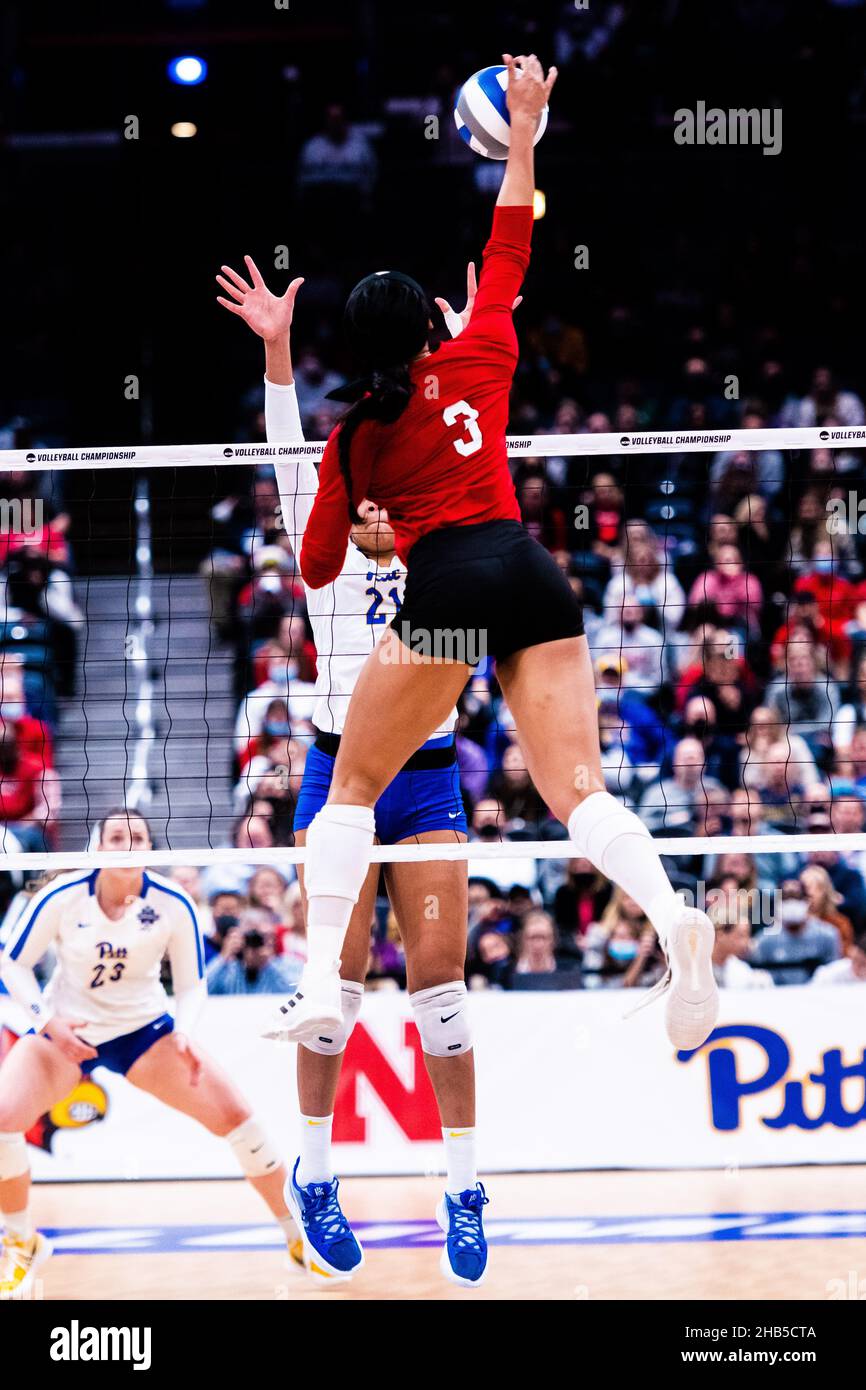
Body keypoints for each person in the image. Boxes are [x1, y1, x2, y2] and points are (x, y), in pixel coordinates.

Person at [270, 57, 717, 1091]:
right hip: (531, 570)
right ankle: (670, 914)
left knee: (348, 790)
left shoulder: (352, 439)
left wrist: (374, 523)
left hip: (450, 588)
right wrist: (524, 128)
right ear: (435, 322)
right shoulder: (485, 349)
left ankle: (316, 979)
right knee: (579, 792)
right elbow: (510, 234)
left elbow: (314, 563)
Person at [217, 252, 484, 1288]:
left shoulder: (443, 528)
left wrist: (454, 348)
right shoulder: (323, 533)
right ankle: (314, 1178)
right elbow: (289, 447)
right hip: (341, 777)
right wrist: (276, 348)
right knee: (332, 990)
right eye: (360, 496)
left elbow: (459, 428)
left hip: (426, 773)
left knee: (443, 997)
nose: (375, 507)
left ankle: (461, 1186)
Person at [0, 809, 297, 1298]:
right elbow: (14, 966)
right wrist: (45, 1021)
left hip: (143, 1031)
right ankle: (20, 1242)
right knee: (6, 1122)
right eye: (117, 836)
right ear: (97, 849)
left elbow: (192, 985)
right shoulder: (62, 895)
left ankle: (296, 1236)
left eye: (137, 835)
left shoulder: (172, 902)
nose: (128, 842)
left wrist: (184, 1030)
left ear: (151, 849)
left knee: (238, 1118)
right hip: (66, 1032)